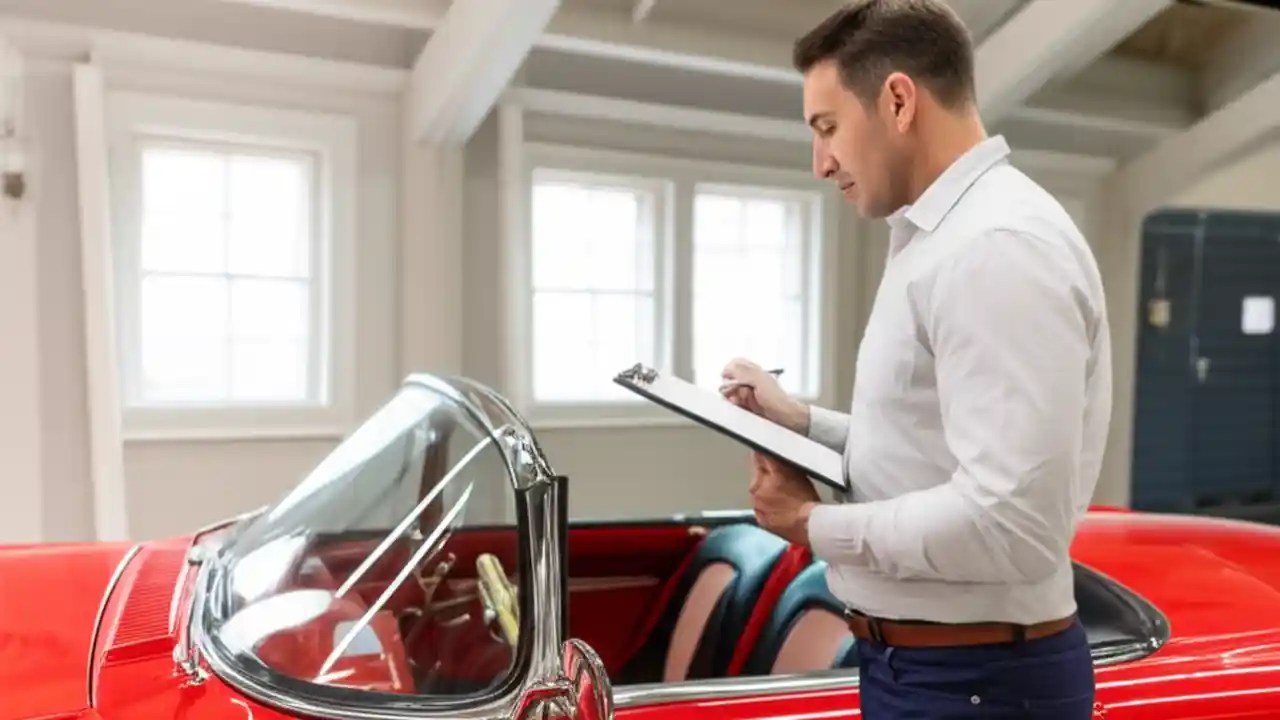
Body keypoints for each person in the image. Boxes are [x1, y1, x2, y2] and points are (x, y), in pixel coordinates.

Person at [720, 0, 1111, 717]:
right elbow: (929, 444)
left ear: (898, 101)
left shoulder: (996, 249)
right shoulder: (944, 237)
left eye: (827, 127)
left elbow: (1010, 523)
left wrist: (813, 525)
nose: (820, 162)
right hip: (935, 670)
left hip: (976, 683)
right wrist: (801, 421)